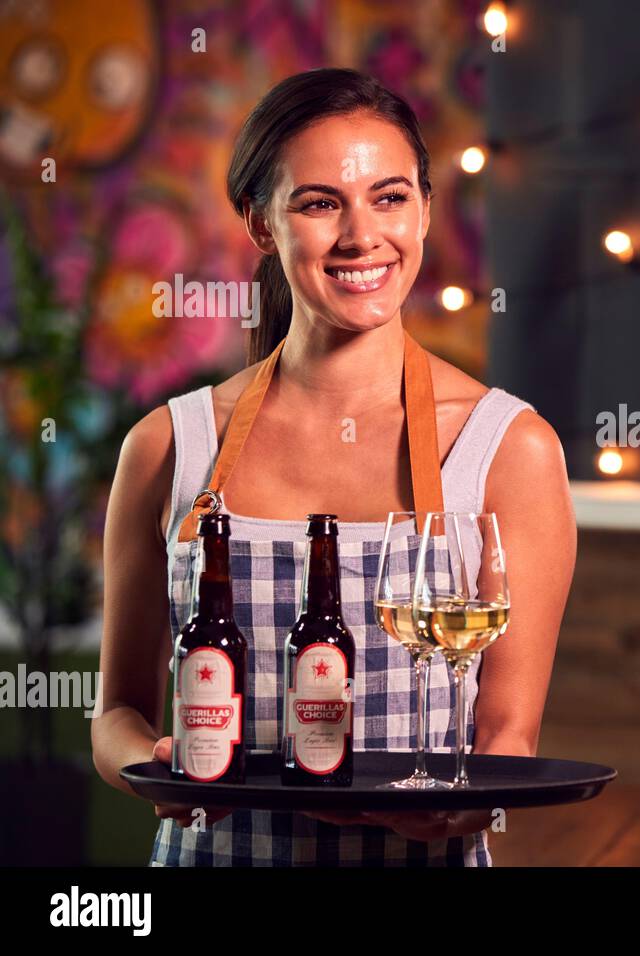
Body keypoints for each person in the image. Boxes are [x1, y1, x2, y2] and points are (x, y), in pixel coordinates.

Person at [90, 68, 576, 865]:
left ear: (424, 207)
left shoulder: (508, 449)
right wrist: (157, 769)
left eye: (390, 198)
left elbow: (507, 738)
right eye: (319, 202)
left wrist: (464, 810)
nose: (361, 236)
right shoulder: (169, 446)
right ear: (259, 223)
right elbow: (116, 716)